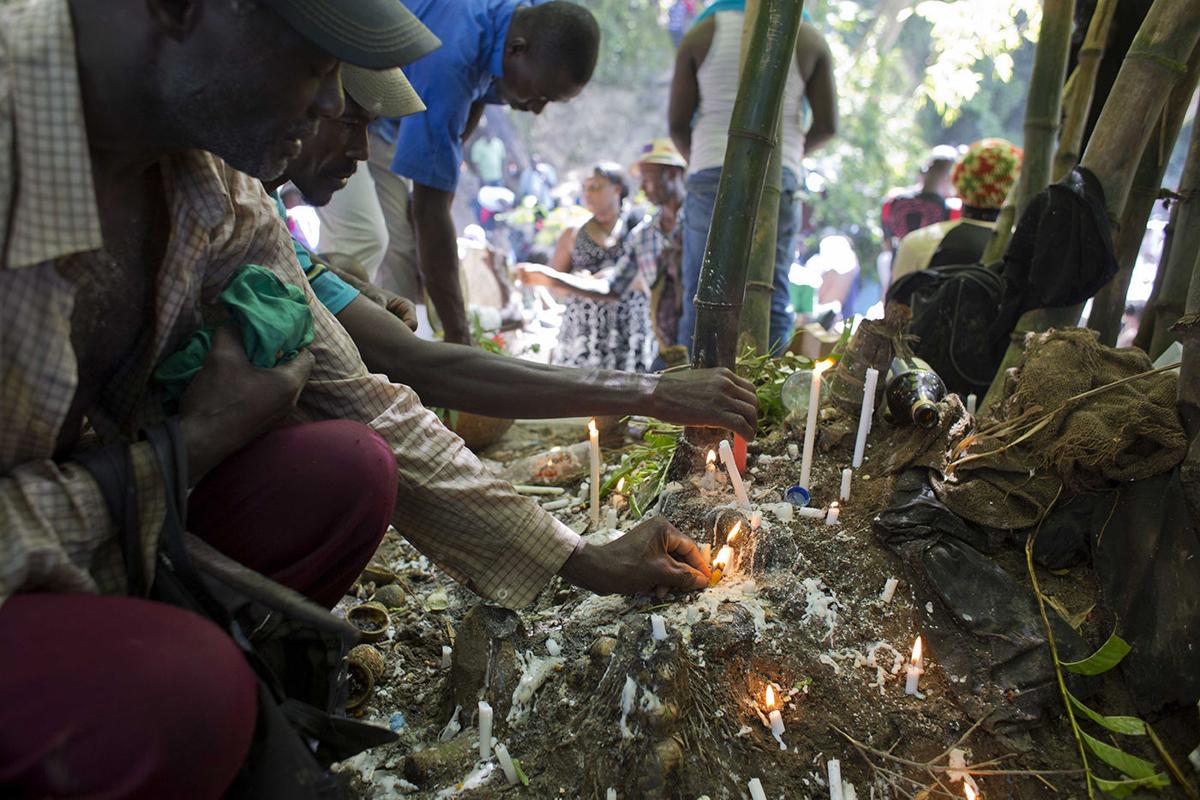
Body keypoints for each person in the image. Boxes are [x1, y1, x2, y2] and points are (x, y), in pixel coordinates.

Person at [0, 2, 709, 796]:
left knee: (344, 466)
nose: (335, 109)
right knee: (189, 694)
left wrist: (577, 556)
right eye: (315, 60)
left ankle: (204, 696)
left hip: (103, 540)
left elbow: (369, 398)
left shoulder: (215, 190)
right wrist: (177, 455)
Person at [271, 86, 760, 435]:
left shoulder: (644, 230)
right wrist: (654, 394)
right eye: (351, 123)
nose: (363, 150)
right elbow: (420, 364)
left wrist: (360, 289)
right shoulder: (261, 228)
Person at [319, 0, 601, 345]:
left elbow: (478, 96)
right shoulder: (450, 66)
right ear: (517, 50)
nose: (537, 109)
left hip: (389, 122)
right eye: (539, 94)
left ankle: (392, 353)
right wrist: (458, 335)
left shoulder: (519, 19)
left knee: (405, 258)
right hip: (336, 101)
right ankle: (333, 354)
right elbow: (430, 209)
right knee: (364, 238)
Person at [670, 8, 838, 356]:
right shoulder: (807, 37)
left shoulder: (702, 33)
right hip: (777, 174)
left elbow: (677, 124)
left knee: (700, 290)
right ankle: (763, 399)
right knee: (771, 290)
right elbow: (827, 125)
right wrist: (790, 155)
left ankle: (688, 399)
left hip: (709, 168)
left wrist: (703, 161)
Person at [520, 141, 691, 369]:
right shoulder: (644, 235)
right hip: (666, 346)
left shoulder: (697, 224)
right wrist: (550, 277)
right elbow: (612, 288)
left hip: (690, 334)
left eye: (648, 179)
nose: (642, 188)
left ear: (673, 173)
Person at [890, 138, 1023, 285]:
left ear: (959, 178)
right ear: (1016, 186)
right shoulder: (1022, 248)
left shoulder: (917, 243)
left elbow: (896, 303)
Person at [881, 145, 960, 252]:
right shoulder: (952, 210)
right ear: (949, 177)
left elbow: (887, 245)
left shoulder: (893, 201)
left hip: (899, 266)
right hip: (932, 267)